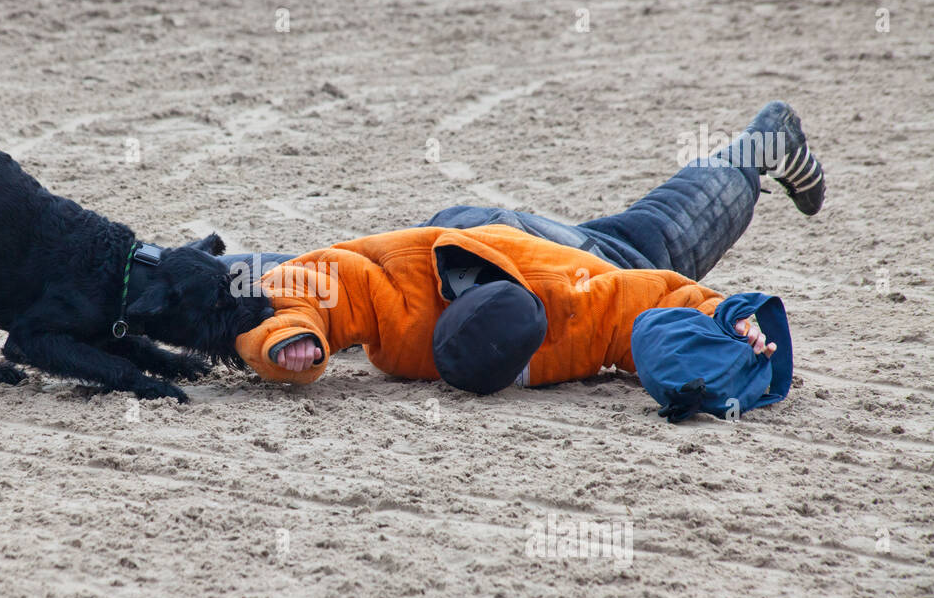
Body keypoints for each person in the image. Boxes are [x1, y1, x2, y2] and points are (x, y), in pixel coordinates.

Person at [220, 101, 823, 404]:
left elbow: (653, 303)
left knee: (658, 241)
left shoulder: (563, 313)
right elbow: (654, 303)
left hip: (510, 248)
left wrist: (723, 322)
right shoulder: (567, 313)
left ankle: (169, 270)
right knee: (657, 239)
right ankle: (761, 144)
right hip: (478, 243)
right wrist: (724, 320)